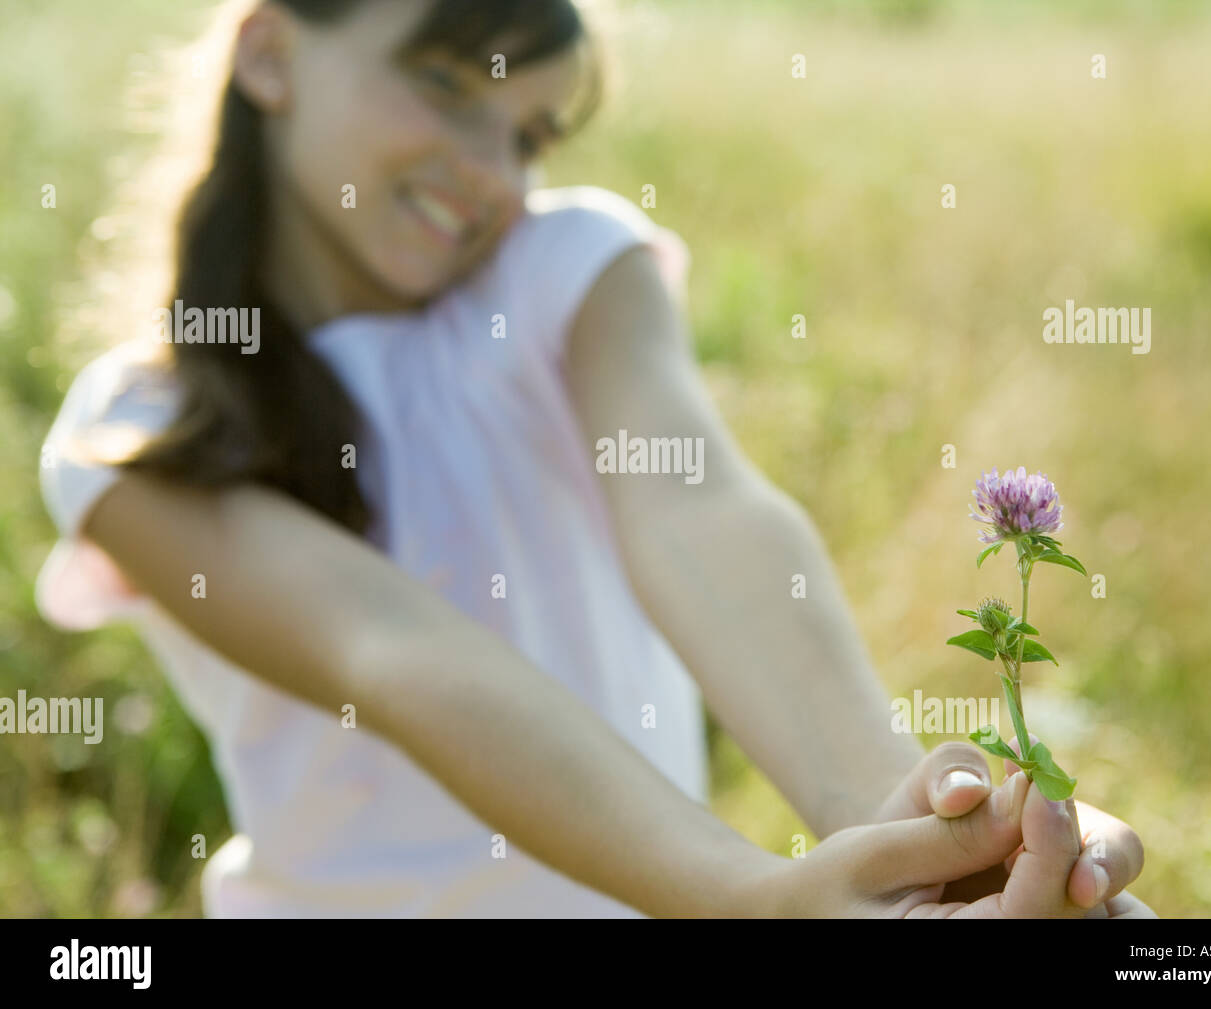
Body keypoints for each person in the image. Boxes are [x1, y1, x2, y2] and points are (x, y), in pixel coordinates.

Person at [35, 0, 1150, 917]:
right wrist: (750, 901)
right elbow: (394, 652)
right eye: (446, 85)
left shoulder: (568, 274)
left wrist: (913, 828)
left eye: (528, 133)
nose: (487, 169)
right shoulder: (139, 432)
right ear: (272, 55)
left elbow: (701, 514)